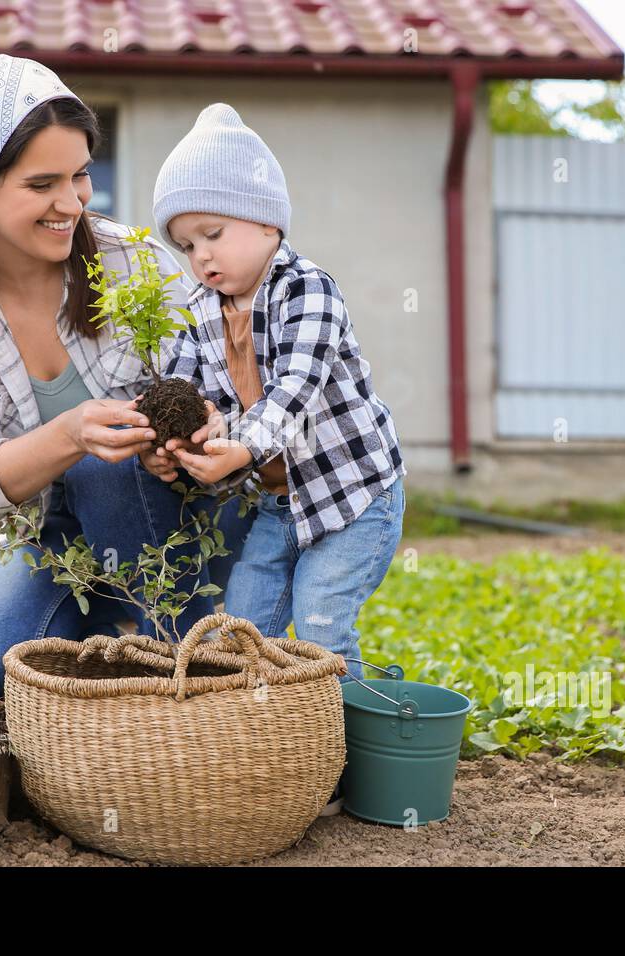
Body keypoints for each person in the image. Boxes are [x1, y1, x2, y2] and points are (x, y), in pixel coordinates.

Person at [0, 57, 254, 695]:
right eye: (42, 185)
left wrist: (195, 433)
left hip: (181, 517)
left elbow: (218, 387)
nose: (73, 203)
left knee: (106, 469)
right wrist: (68, 433)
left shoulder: (128, 262)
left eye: (81, 175)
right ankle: (113, 625)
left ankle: (190, 665)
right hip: (54, 539)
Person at [142, 103, 407, 686]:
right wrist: (185, 440)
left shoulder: (307, 289)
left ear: (267, 223)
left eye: (213, 234)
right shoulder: (201, 310)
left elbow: (297, 389)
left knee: (320, 628)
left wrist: (242, 447)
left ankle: (347, 755)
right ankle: (255, 747)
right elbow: (197, 394)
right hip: (279, 502)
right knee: (238, 630)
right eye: (187, 245)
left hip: (353, 498)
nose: (201, 256)